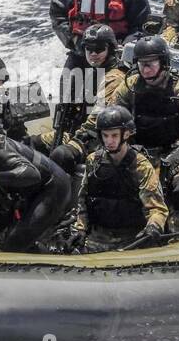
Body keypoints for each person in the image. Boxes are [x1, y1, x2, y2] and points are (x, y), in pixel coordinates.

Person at [64, 35, 179, 214]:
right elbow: (113, 119)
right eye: (140, 64)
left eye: (150, 64)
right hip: (138, 149)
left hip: (177, 153)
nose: (144, 70)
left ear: (163, 62)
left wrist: (171, 156)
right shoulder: (130, 85)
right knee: (103, 174)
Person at [71, 105, 168, 252]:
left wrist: (153, 227)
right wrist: (80, 230)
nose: (109, 141)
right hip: (97, 238)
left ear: (126, 134)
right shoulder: (93, 161)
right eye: (105, 135)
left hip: (132, 240)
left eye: (114, 135)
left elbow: (157, 208)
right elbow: (83, 200)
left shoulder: (140, 165)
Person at [42, 23, 128, 153]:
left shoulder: (114, 77)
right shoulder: (90, 72)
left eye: (99, 49)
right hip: (77, 132)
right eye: (89, 48)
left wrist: (75, 141)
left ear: (110, 49)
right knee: (32, 143)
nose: (93, 53)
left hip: (99, 139)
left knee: (61, 156)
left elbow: (97, 119)